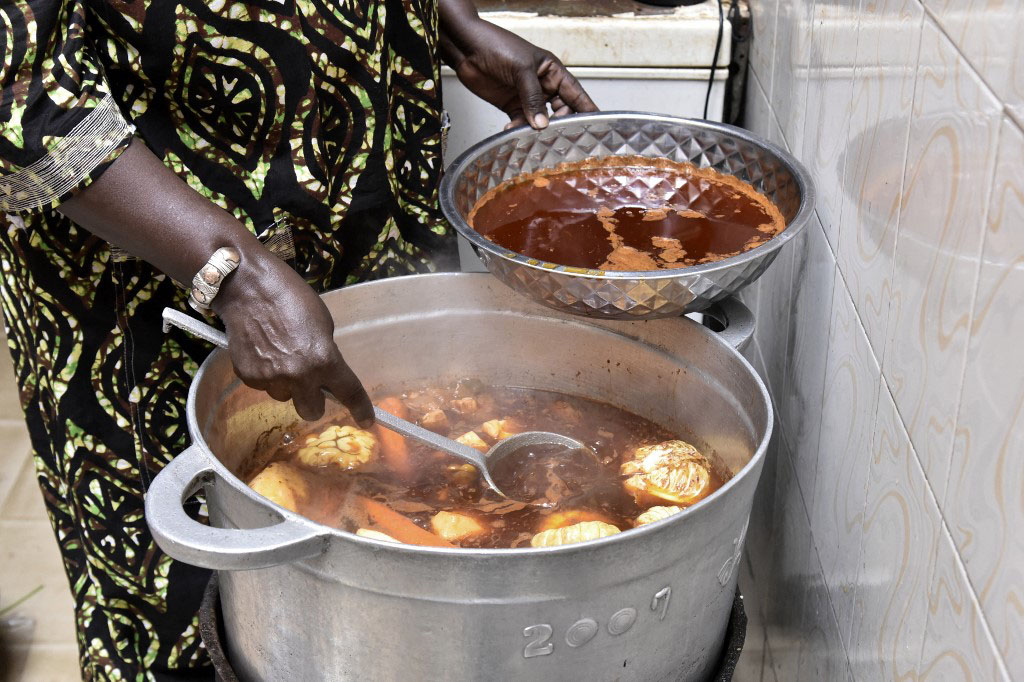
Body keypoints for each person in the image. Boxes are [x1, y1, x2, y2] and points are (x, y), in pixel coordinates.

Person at [0, 1, 596, 679]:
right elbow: (22, 98)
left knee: (411, 630)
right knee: (196, 609)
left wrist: (450, 21)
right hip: (155, 280)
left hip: (368, 195)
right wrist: (235, 278)